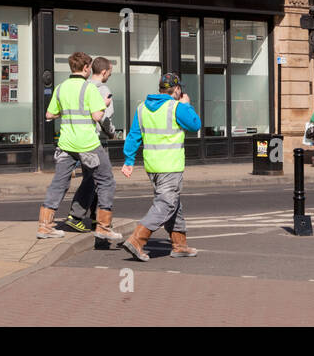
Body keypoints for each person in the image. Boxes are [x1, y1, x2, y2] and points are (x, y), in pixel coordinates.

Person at [36, 51, 123, 244]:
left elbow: (50, 114)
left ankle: (45, 226)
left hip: (66, 144)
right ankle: (103, 227)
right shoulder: (89, 88)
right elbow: (97, 116)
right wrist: (103, 104)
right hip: (88, 144)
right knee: (106, 180)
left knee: (59, 183)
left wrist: (67, 112)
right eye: (89, 67)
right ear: (85, 68)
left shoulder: (60, 88)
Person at [121, 72, 203, 260]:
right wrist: (187, 105)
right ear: (177, 89)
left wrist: (128, 161)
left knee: (174, 204)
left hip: (152, 166)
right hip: (170, 165)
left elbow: (134, 135)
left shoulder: (142, 108)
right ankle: (137, 239)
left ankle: (179, 245)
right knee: (166, 204)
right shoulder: (176, 107)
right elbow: (195, 124)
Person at [70, 55, 118, 231]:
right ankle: (79, 215)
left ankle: (93, 215)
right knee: (99, 179)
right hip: (98, 141)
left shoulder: (83, 86)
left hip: (82, 139)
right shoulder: (104, 90)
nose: (109, 76)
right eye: (110, 73)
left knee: (93, 178)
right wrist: (112, 132)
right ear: (104, 72)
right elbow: (104, 118)